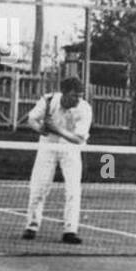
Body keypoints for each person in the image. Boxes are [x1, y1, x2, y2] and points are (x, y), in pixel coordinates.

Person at [22, 77, 92, 245]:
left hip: (71, 149)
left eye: (80, 95)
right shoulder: (49, 100)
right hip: (48, 147)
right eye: (74, 95)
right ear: (64, 93)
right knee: (39, 186)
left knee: (73, 190)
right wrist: (41, 129)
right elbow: (31, 118)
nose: (78, 99)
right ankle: (31, 225)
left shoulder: (84, 109)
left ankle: (70, 230)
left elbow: (78, 139)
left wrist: (57, 129)